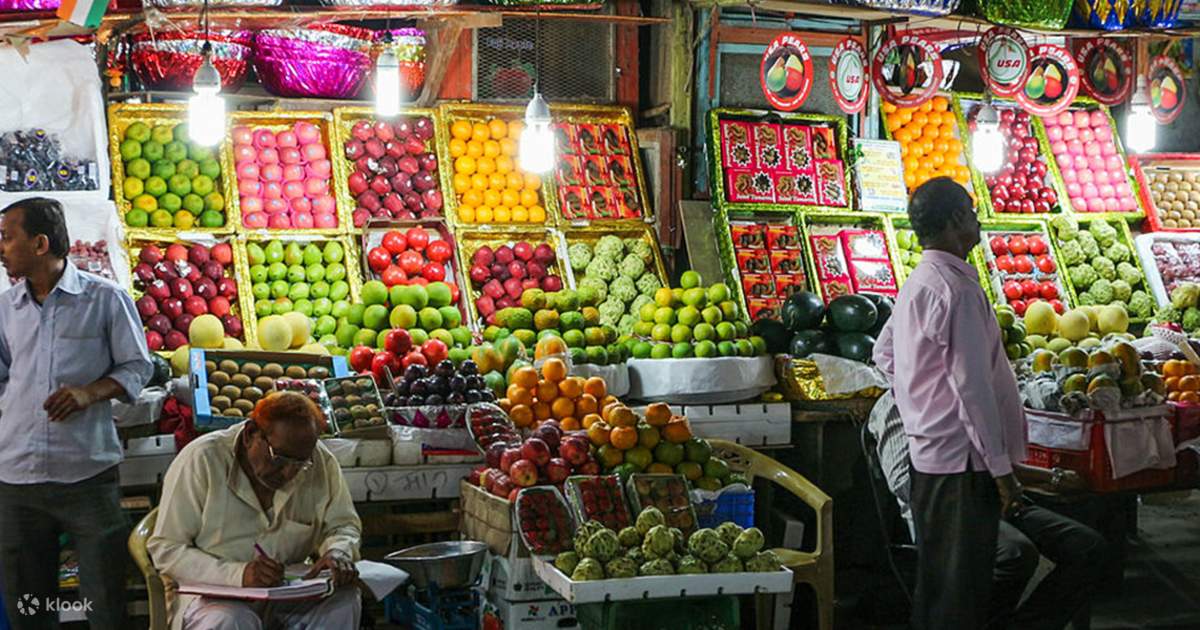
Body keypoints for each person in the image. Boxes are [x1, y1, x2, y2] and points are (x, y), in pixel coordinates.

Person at [872, 177, 1029, 630]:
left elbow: (885, 354)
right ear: (958, 219)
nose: (978, 220)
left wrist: (921, 402)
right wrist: (1001, 471)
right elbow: (972, 388)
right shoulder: (956, 291)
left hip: (932, 457)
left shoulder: (920, 281)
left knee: (939, 584)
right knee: (961, 593)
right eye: (973, 212)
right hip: (963, 464)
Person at [0, 197, 154, 630]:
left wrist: (91, 392)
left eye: (8, 238)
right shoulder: (5, 309)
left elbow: (138, 365)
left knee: (104, 603)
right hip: (17, 479)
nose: (1, 248)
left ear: (40, 243)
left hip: (86, 476)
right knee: (29, 605)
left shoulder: (105, 300)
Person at [867, 378, 1106, 630]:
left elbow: (996, 462)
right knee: (1015, 553)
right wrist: (986, 486)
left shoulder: (964, 394)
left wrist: (1050, 477)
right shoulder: (896, 403)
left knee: (1088, 548)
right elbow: (904, 484)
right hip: (945, 514)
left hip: (995, 499)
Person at [149, 391, 363, 630]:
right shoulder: (203, 459)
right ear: (251, 433)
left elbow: (343, 525)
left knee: (344, 601)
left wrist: (338, 552)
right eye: (279, 459)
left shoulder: (320, 461)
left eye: (300, 464)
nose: (288, 474)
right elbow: (166, 549)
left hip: (288, 591)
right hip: (214, 596)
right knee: (231, 620)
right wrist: (238, 574)